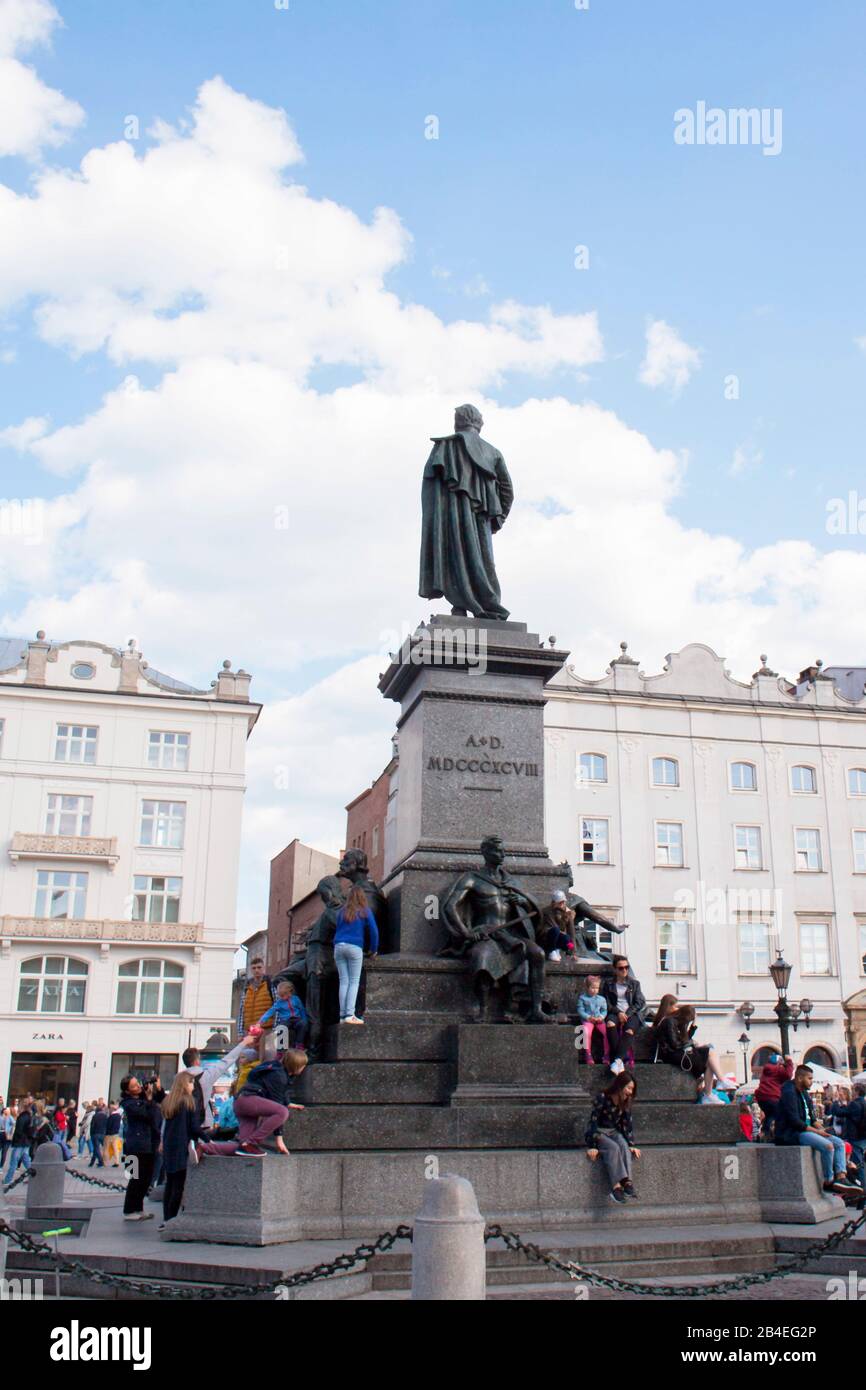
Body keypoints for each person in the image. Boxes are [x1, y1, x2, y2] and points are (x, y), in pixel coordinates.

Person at [773, 1065, 861, 1197]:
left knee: (839, 1143)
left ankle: (841, 1178)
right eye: (809, 1078)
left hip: (808, 1130)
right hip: (792, 1133)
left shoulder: (804, 1093)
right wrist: (818, 1132)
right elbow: (795, 1121)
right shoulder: (789, 1093)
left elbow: (812, 1119)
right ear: (799, 1078)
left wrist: (822, 1129)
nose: (811, 1081)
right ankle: (829, 1181)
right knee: (828, 1146)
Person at [201, 1050, 308, 1158]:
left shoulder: (275, 1068)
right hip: (249, 1100)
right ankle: (252, 1143)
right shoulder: (280, 1076)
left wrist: (288, 1103)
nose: (304, 1068)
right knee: (282, 1112)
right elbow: (278, 1102)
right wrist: (279, 1139)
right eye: (303, 1065)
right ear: (296, 1066)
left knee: (241, 1147)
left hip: (241, 1102)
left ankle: (203, 1148)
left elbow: (280, 1092)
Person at [180, 1033, 259, 1134]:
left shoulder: (178, 1079)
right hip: (203, 1124)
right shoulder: (206, 1076)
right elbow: (226, 1061)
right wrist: (244, 1043)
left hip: (183, 1124)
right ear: (197, 1061)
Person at [654, 1005, 738, 1099]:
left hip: (677, 1053)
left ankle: (711, 1092)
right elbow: (675, 1044)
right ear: (684, 1017)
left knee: (710, 1059)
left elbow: (685, 1040)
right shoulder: (669, 1021)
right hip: (671, 1055)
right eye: (688, 1020)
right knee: (709, 1054)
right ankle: (717, 1085)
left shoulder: (677, 1023)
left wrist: (693, 1026)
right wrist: (692, 1045)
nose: (687, 1022)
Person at [160, 1072, 209, 1228]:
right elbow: (194, 1127)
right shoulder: (189, 1101)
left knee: (170, 1183)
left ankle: (167, 1218)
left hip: (169, 1145)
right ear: (184, 1084)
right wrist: (208, 1139)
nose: (193, 1086)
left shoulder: (169, 1101)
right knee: (178, 1185)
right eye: (191, 1083)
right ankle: (172, 1219)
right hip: (181, 1146)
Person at [584, 1071, 641, 1204]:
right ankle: (616, 1188)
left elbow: (626, 1124)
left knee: (623, 1145)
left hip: (613, 1132)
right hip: (598, 1132)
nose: (630, 1092)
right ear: (620, 1086)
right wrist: (592, 1145)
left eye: (632, 1089)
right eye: (629, 1088)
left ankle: (627, 1182)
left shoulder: (625, 1102)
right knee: (613, 1148)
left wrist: (631, 1144)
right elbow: (593, 1121)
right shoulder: (603, 1097)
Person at [119, 1074, 165, 1221]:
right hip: (135, 1146)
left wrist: (157, 1088)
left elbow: (161, 1101)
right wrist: (149, 1099)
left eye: (137, 1084)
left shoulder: (143, 1098)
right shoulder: (128, 1103)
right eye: (133, 1086)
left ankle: (138, 1208)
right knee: (135, 1178)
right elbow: (147, 1114)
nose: (138, 1086)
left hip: (149, 1144)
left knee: (146, 1178)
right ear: (127, 1091)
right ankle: (129, 1210)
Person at [334, 885, 379, 1024]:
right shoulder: (365, 911)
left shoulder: (342, 911)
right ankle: (349, 1014)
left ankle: (342, 1016)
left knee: (344, 981)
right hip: (354, 947)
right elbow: (374, 931)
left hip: (338, 946)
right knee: (354, 981)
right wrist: (373, 949)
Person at [601, 956, 646, 1074]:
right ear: (615, 969)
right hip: (615, 1012)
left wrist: (627, 1013)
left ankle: (616, 1060)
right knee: (610, 1024)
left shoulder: (634, 984)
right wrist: (619, 1013)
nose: (624, 970)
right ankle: (619, 1060)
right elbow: (606, 1003)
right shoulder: (608, 984)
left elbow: (640, 1002)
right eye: (621, 968)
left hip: (632, 1013)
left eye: (626, 967)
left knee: (629, 1030)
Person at [826, 1082, 866, 1192]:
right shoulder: (863, 1103)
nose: (851, 1092)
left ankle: (862, 1193)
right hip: (862, 1138)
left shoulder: (855, 1104)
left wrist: (834, 1102)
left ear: (856, 1092)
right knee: (860, 1164)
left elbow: (838, 1112)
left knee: (858, 1166)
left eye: (853, 1090)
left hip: (855, 1138)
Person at [254, 980, 309, 1051]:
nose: (281, 997)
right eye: (280, 995)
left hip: (297, 1019)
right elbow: (270, 1012)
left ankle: (299, 1044)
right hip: (286, 1020)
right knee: (281, 1027)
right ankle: (280, 1049)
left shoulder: (296, 999)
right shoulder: (279, 1003)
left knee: (303, 1024)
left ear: (289, 992)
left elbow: (302, 1009)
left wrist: (305, 1019)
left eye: (283, 995)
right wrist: (260, 1022)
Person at [754, 1053, 794, 1140]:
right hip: (772, 1096)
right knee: (780, 1115)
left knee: (770, 1115)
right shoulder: (777, 1069)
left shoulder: (766, 1070)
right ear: (779, 1063)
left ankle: (763, 1133)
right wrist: (789, 1061)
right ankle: (779, 1134)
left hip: (762, 1098)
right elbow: (788, 1075)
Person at [236, 957, 277, 1038]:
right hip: (249, 1030)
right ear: (251, 970)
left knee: (263, 1050)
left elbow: (278, 1005)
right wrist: (240, 1032)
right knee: (247, 1051)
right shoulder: (247, 986)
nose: (256, 970)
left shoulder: (270, 983)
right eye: (254, 968)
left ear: (263, 968)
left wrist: (275, 1028)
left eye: (259, 967)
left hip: (266, 1028)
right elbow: (242, 1010)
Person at [577, 974, 609, 1063]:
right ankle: (588, 1054)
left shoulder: (601, 999)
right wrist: (587, 1017)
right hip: (588, 1020)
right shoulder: (582, 998)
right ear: (587, 987)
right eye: (593, 988)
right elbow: (580, 1010)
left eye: (597, 988)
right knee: (587, 1033)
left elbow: (604, 1010)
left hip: (599, 1020)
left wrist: (601, 1017)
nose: (595, 990)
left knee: (607, 1032)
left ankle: (606, 1054)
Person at [3, 1099, 34, 1190]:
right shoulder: (29, 1116)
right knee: (26, 1159)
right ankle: (34, 1175)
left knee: (14, 1161)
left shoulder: (22, 1117)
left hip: (20, 1142)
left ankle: (8, 1179)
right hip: (25, 1141)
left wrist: (15, 1139)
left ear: (22, 1107)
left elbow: (19, 1130)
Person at [538, 892, 577, 962]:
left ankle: (557, 949)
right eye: (559, 902)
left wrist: (573, 952)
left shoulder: (568, 913)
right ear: (554, 902)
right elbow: (552, 926)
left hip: (560, 936)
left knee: (567, 939)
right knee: (555, 930)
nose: (561, 904)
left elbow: (572, 933)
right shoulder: (547, 911)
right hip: (547, 937)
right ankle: (551, 951)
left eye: (563, 902)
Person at [89, 1100, 109, 1166]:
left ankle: (101, 1161)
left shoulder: (95, 1116)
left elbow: (92, 1126)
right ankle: (92, 1162)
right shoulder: (105, 1116)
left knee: (96, 1148)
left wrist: (91, 1134)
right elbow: (107, 1125)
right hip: (103, 1133)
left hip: (95, 1133)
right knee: (100, 1148)